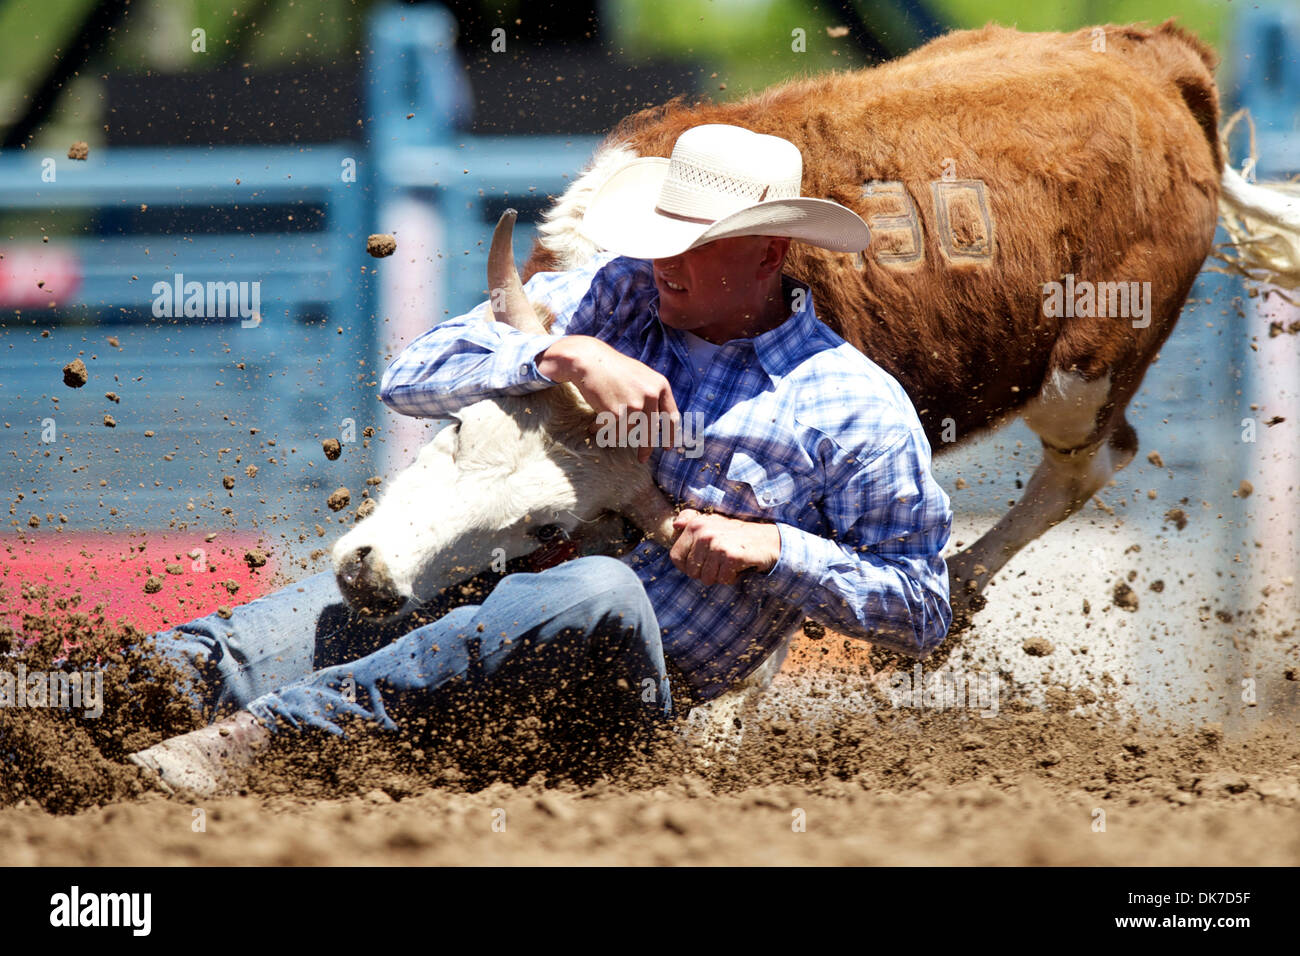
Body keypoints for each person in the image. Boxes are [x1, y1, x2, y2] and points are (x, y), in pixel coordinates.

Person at [129, 123, 953, 796]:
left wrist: (777, 550)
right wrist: (562, 359)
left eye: (694, 243)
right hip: (478, 591)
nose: (664, 257)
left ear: (769, 253)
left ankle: (267, 736)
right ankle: (90, 706)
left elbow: (921, 608)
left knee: (600, 588)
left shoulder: (851, 408)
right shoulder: (616, 296)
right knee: (244, 649)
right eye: (662, 233)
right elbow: (409, 379)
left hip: (609, 693)